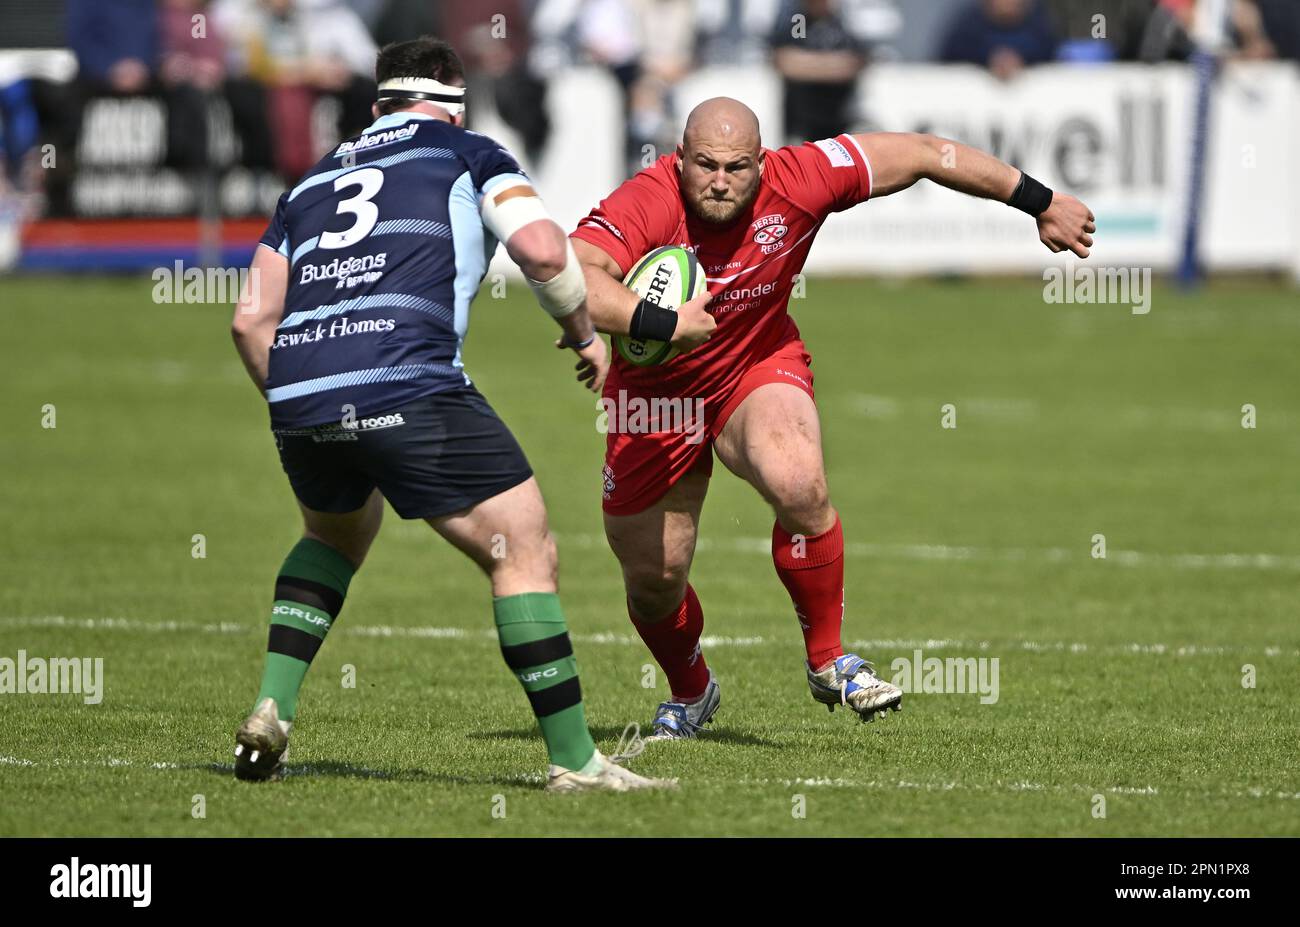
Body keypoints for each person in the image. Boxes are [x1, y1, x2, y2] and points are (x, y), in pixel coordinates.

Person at [570, 97, 1093, 738]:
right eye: (704, 164)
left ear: (762, 163)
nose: (719, 180)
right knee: (656, 580)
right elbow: (576, 274)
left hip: (753, 365)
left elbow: (928, 154)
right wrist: (654, 323)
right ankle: (692, 690)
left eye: (736, 166)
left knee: (799, 481)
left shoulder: (806, 177)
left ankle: (828, 659)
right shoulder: (647, 200)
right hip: (652, 397)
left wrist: (1040, 202)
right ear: (679, 158)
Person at [229, 35, 671, 792]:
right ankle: (574, 760)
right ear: (455, 103)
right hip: (408, 382)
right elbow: (541, 248)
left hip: (298, 389)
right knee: (523, 548)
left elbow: (248, 319)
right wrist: (583, 333)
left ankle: (274, 703)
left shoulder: (308, 183)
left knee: (334, 533)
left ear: (376, 108)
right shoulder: (467, 152)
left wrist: (305, 397)